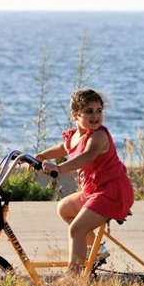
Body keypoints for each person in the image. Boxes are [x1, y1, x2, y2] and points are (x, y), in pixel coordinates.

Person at [36, 89, 135, 275]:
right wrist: (41, 156)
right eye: (89, 111)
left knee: (77, 229)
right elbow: (63, 148)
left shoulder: (99, 136)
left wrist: (59, 168)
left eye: (99, 111)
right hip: (95, 190)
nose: (95, 116)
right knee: (64, 209)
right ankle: (95, 251)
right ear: (75, 114)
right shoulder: (76, 135)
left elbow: (88, 156)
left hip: (113, 191)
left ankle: (74, 278)